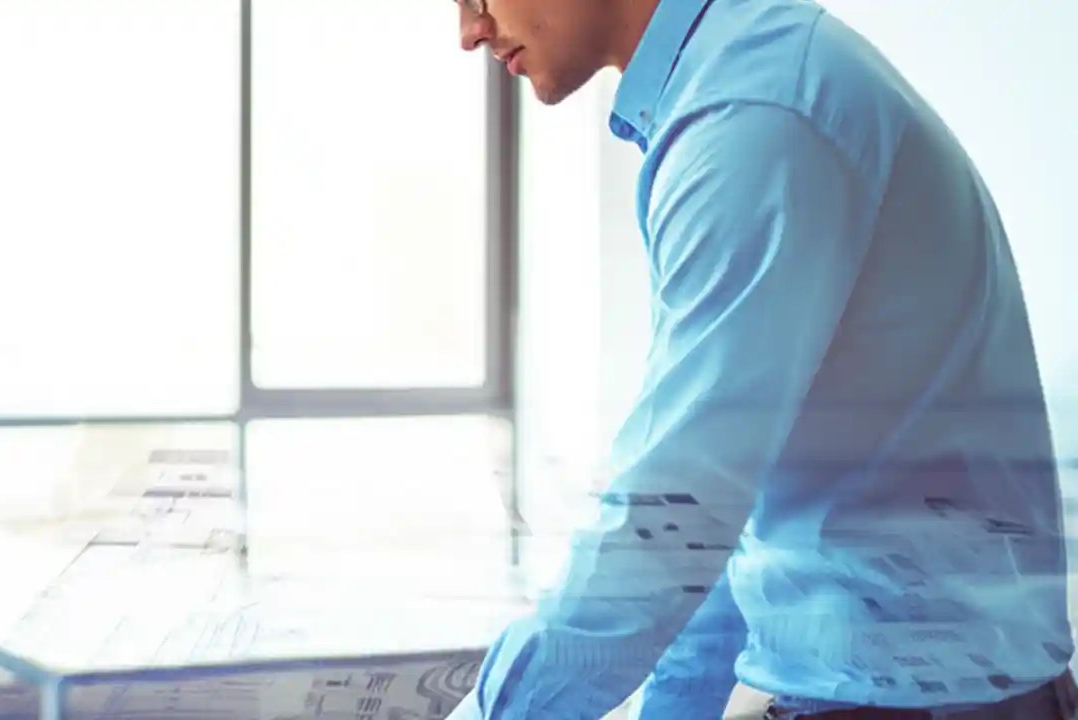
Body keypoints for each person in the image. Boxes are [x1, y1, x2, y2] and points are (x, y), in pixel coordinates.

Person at [446, 0, 1076, 718]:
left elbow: (678, 505)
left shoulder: (755, 117)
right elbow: (725, 512)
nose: (469, 30)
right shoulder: (747, 85)